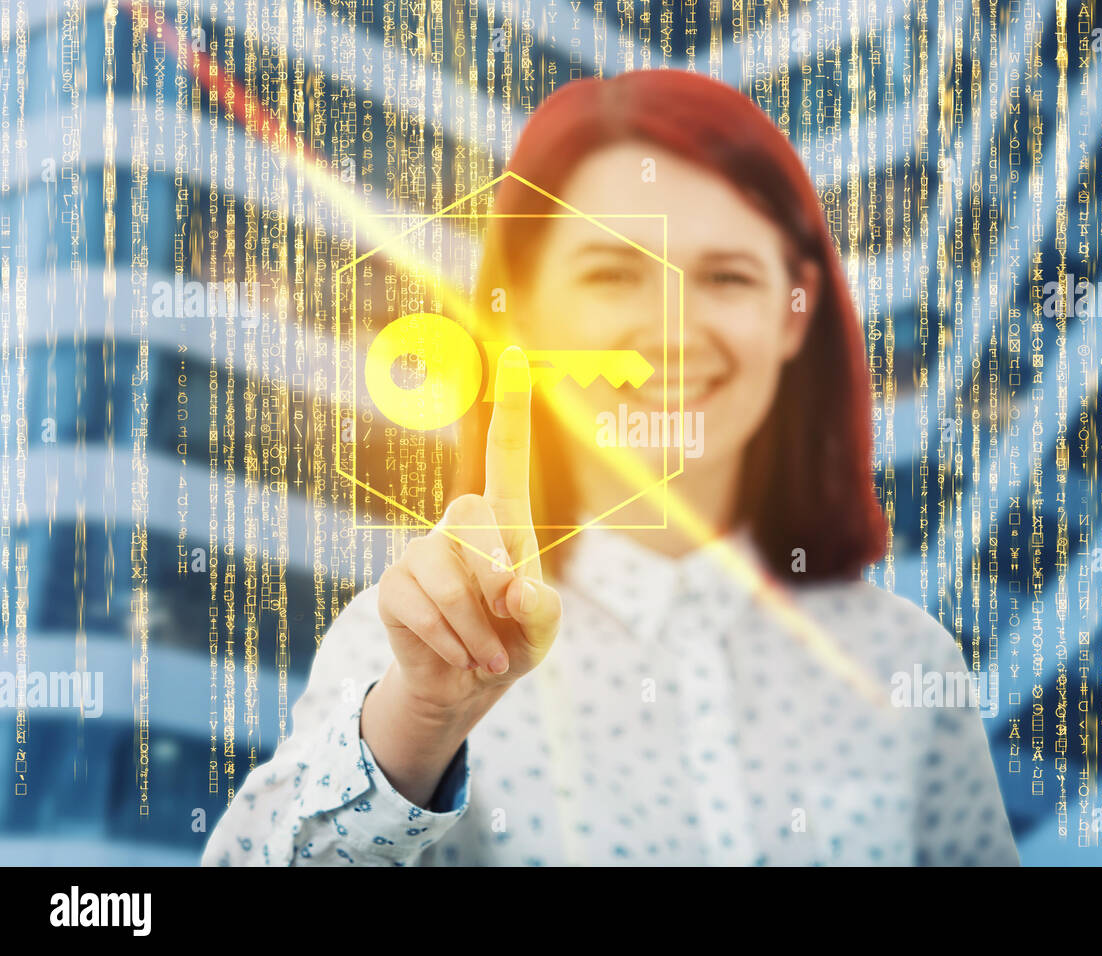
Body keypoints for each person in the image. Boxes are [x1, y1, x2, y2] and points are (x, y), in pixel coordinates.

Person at [202, 69, 1019, 866]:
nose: (671, 332)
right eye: (612, 273)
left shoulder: (906, 661)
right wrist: (420, 725)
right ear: (518, 305)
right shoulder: (412, 650)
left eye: (728, 277)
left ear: (792, 310)